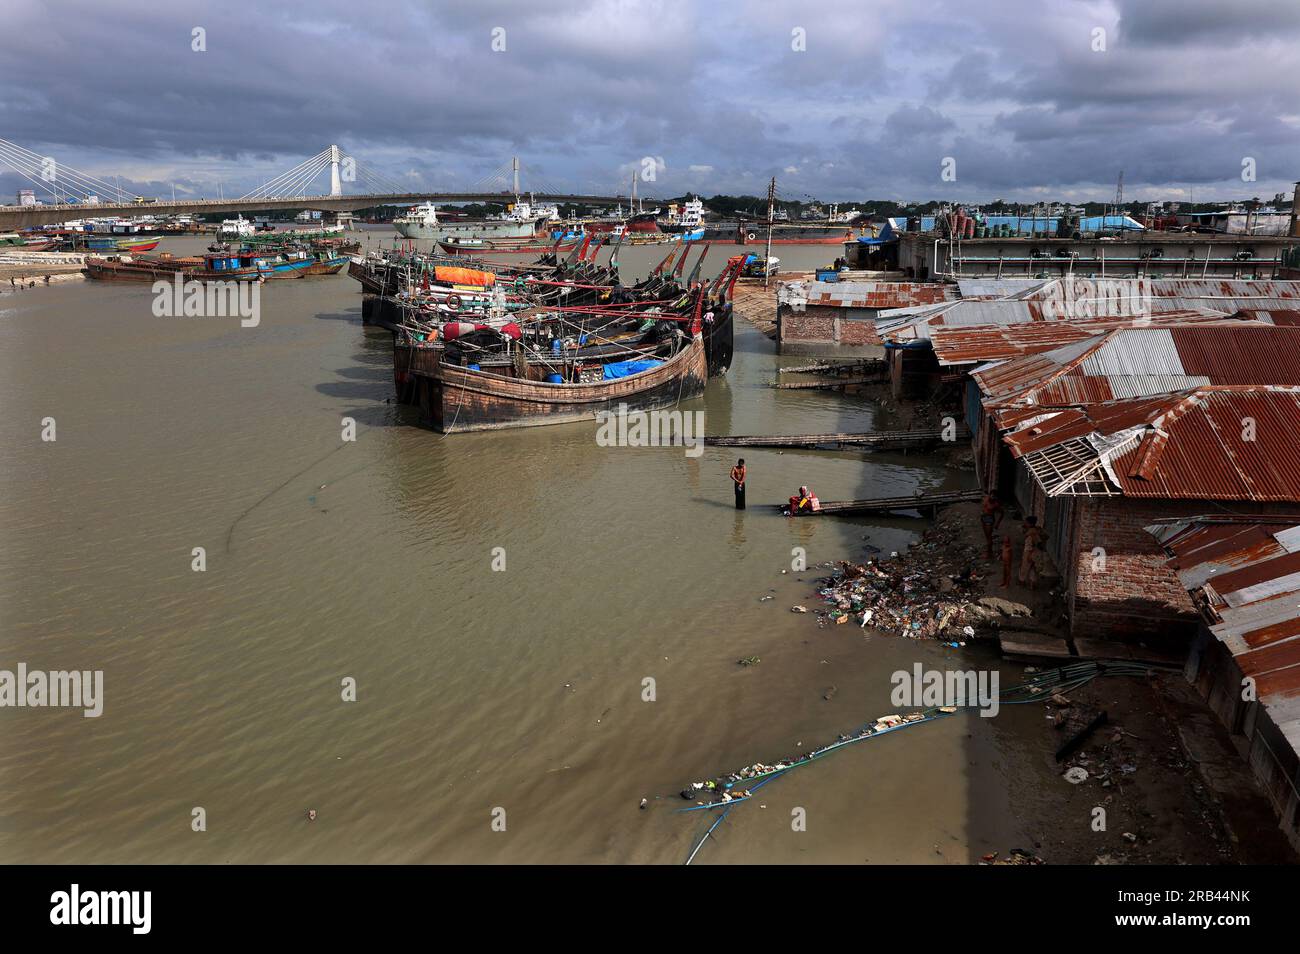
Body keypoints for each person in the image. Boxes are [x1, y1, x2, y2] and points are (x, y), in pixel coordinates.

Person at [1020, 516, 1048, 590]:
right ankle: (1032, 584)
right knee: (1033, 569)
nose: (1024, 523)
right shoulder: (1037, 530)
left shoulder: (1032, 532)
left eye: (1026, 522)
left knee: (1025, 568)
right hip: (1037, 553)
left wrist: (1029, 554)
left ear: (1029, 523)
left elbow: (1034, 543)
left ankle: (1022, 582)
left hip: (1030, 552)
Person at [980, 493, 1005, 560]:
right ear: (990, 495)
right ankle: (990, 551)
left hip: (989, 519)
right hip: (983, 518)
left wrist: (997, 524)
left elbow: (1002, 513)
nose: (993, 497)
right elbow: (983, 505)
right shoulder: (985, 498)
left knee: (989, 538)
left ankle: (989, 555)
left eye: (995, 496)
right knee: (987, 537)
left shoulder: (996, 504)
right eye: (992, 495)